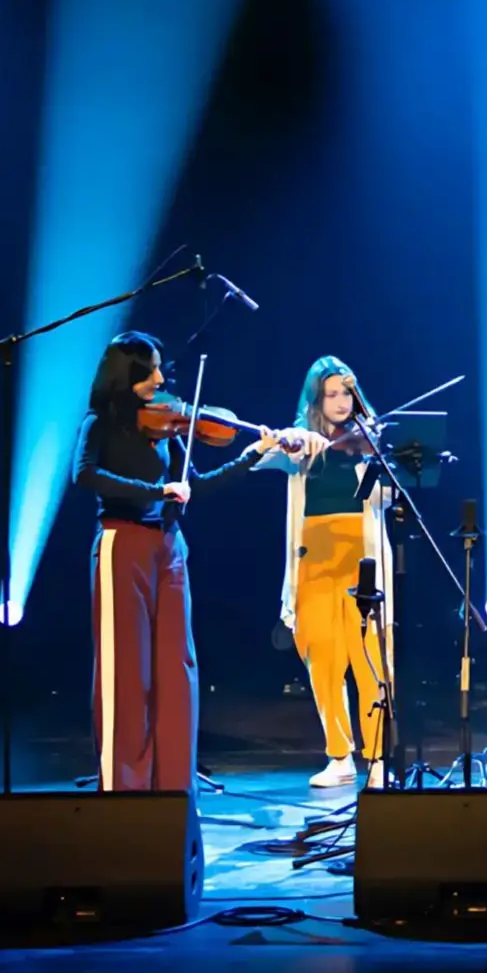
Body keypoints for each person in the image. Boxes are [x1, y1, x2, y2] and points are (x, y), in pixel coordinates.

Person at [72, 330, 282, 793]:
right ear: (129, 374)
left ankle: (173, 788)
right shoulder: (100, 421)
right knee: (125, 670)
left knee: (176, 666)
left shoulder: (166, 428)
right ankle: (124, 791)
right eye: (153, 369)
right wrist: (155, 491)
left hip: (169, 548)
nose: (163, 378)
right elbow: (84, 475)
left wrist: (252, 455)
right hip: (120, 543)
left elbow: (197, 484)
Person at [254, 356, 399, 789]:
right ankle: (340, 755)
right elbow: (263, 461)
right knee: (323, 660)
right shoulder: (301, 441)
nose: (339, 402)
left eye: (345, 393)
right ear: (316, 400)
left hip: (363, 556)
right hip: (312, 558)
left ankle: (377, 757)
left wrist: (374, 451)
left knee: (369, 658)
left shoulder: (370, 439)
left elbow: (387, 498)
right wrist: (281, 441)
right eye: (331, 394)